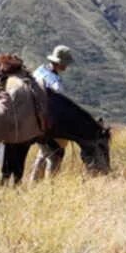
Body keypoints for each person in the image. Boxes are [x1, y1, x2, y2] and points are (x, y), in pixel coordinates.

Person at [29, 46, 75, 180]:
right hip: (48, 123)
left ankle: (34, 182)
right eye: (65, 63)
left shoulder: (39, 70)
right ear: (59, 63)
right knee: (55, 155)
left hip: (34, 119)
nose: (66, 66)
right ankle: (51, 187)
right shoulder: (56, 83)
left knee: (43, 153)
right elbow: (58, 106)